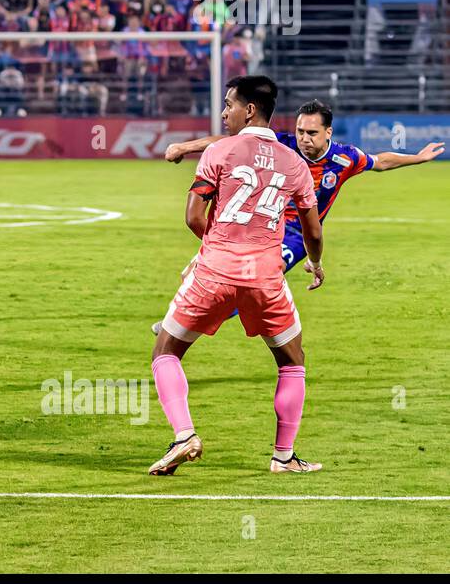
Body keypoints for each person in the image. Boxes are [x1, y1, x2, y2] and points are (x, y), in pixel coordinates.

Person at [148, 75, 324, 477]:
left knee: (166, 351)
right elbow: (312, 230)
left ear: (249, 110)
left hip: (215, 270)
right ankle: (283, 456)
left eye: (229, 104)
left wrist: (214, 246)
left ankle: (184, 436)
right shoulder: (295, 162)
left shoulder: (219, 151)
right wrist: (314, 261)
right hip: (266, 275)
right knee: (291, 360)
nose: (224, 112)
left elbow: (194, 215)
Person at [163, 98, 445, 279]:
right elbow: (228, 141)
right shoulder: (281, 144)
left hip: (296, 236)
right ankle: (184, 319)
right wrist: (185, 147)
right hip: (260, 225)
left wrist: (418, 157)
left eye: (311, 133)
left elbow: (381, 161)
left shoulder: (344, 159)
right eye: (300, 132)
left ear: (328, 133)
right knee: (192, 274)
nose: (304, 139)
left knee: (257, 278)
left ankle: (184, 326)